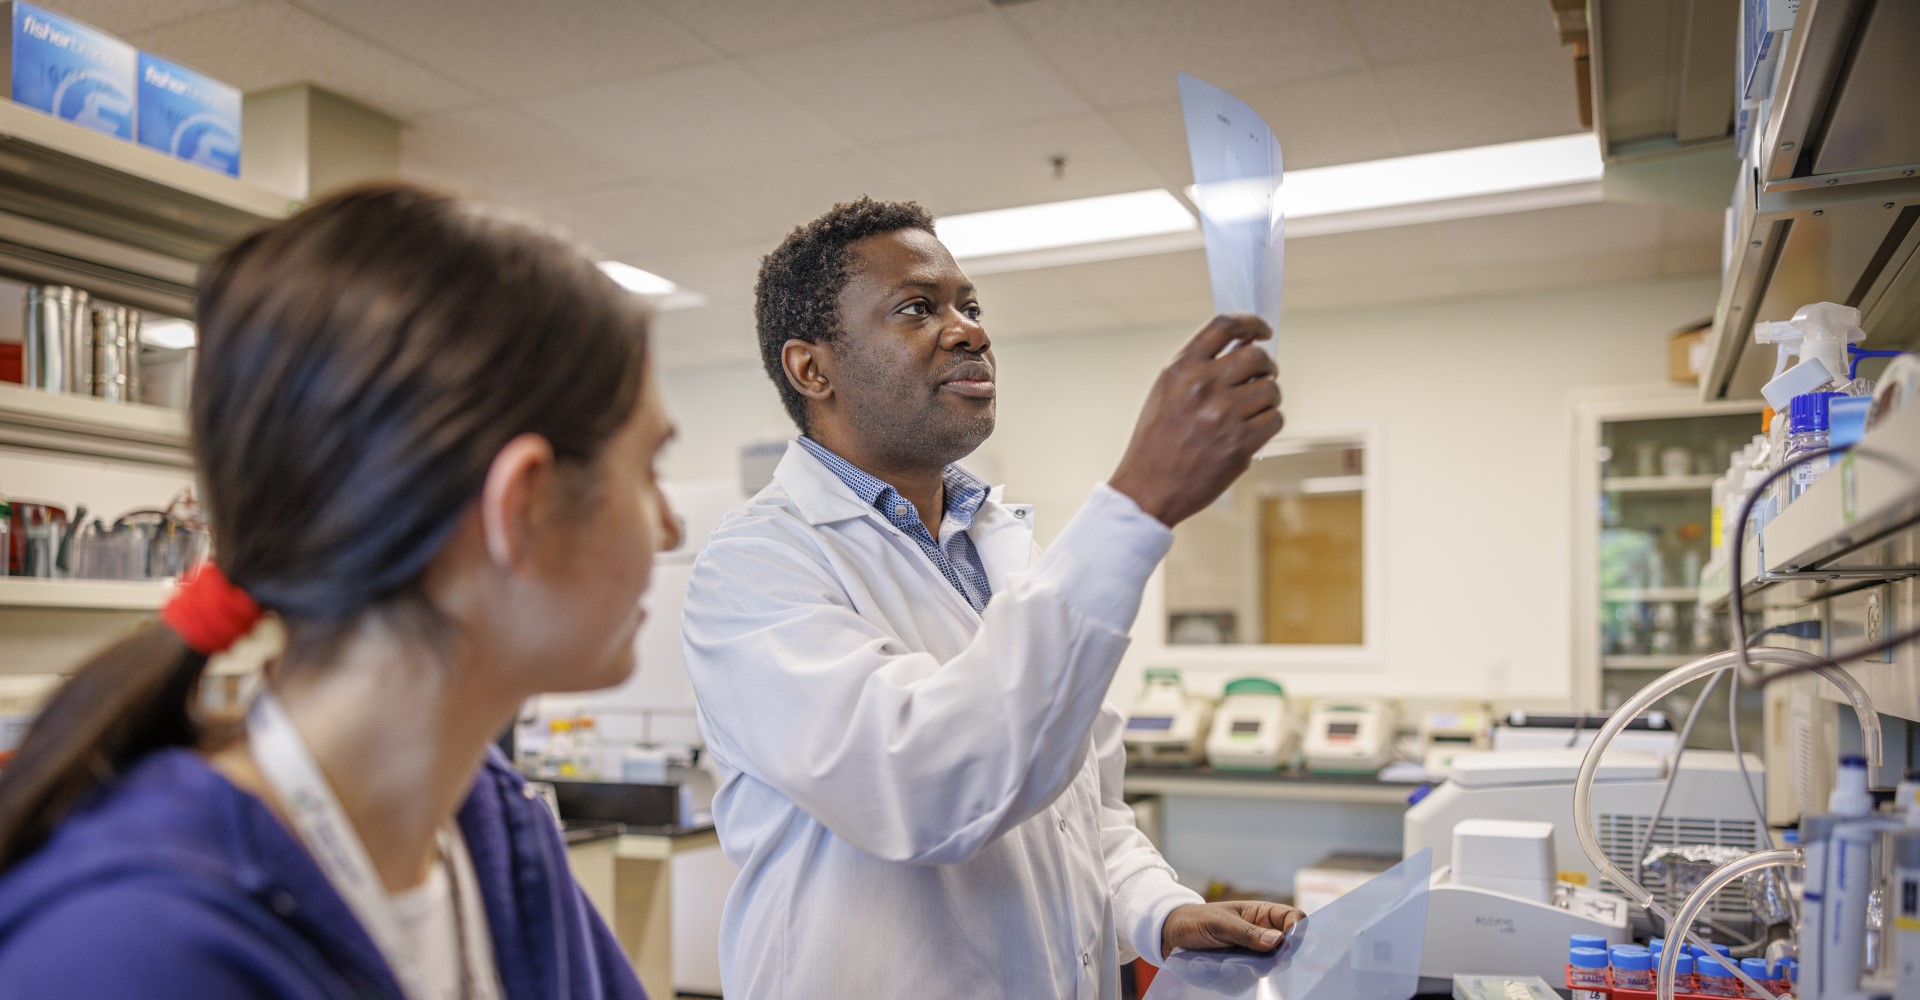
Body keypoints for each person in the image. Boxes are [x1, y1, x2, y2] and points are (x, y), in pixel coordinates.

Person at [0, 184, 679, 1000]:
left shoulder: (494, 836)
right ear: (521, 509)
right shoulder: (130, 951)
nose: (670, 526)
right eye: (648, 470)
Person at [682, 197, 1297, 998]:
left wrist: (1162, 910)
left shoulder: (1001, 545)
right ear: (812, 368)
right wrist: (1137, 502)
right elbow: (925, 785)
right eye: (917, 309)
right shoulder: (755, 568)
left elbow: (1086, 807)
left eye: (969, 305)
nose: (969, 329)